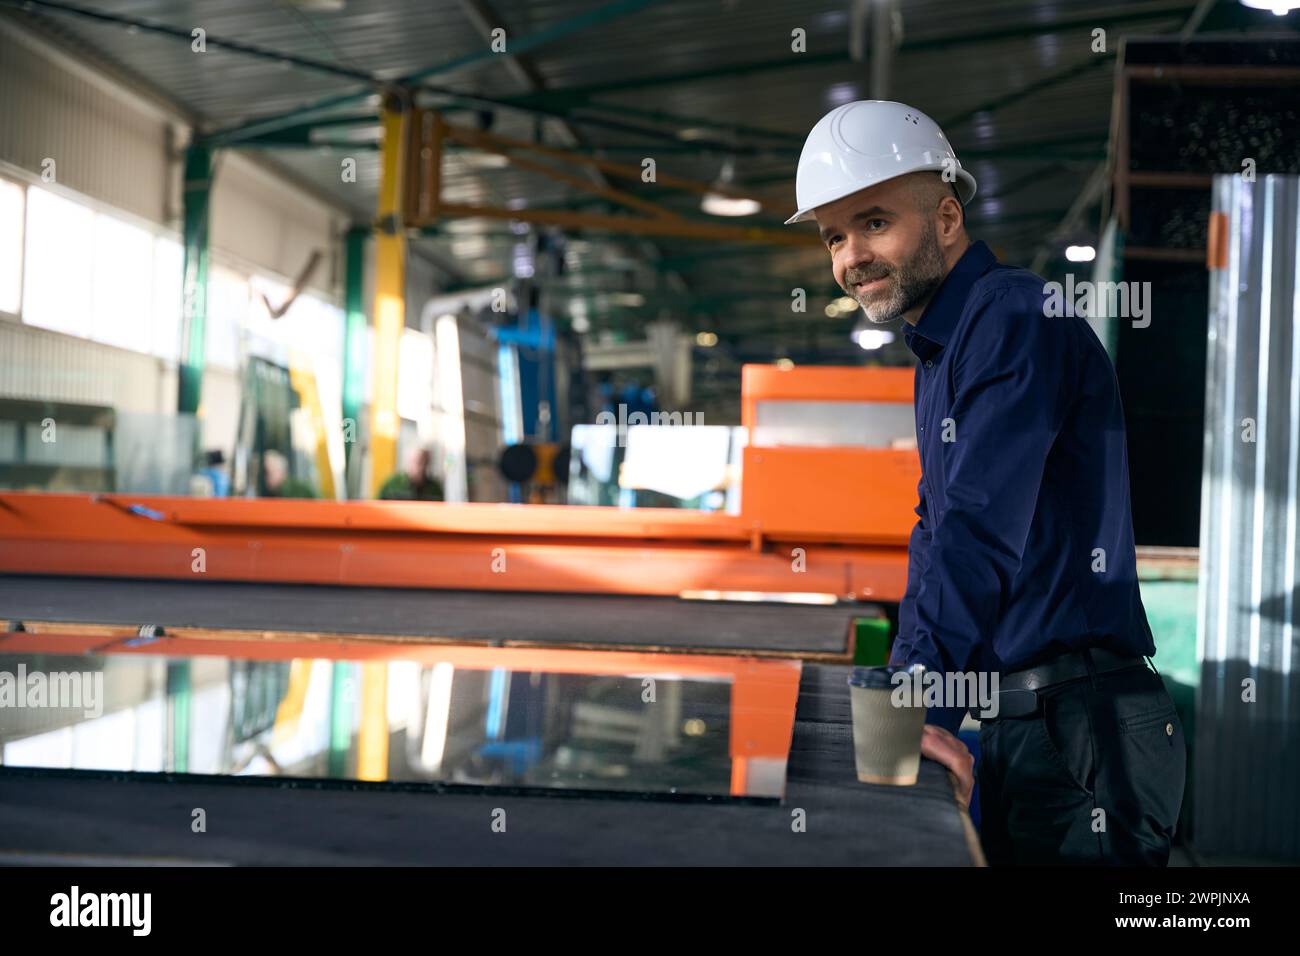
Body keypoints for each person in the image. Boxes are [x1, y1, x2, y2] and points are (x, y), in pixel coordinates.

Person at [787, 100, 1185, 865]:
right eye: (833, 237)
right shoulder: (941, 347)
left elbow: (975, 525)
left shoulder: (1012, 317)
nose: (850, 257)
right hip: (1029, 722)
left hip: (1081, 731)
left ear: (945, 218)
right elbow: (935, 530)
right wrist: (909, 692)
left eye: (873, 223)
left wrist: (915, 703)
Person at [378, 447, 444, 501]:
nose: (420, 466)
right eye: (417, 461)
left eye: (424, 462)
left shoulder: (435, 489)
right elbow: (377, 508)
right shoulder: (392, 484)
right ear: (407, 461)